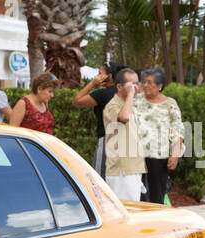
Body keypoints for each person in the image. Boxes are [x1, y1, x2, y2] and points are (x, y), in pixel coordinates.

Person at [134, 66, 184, 204]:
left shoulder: (170, 103)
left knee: (157, 196)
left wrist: (175, 155)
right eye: (144, 82)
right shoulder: (135, 101)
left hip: (159, 157)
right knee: (136, 195)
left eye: (150, 82)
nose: (145, 85)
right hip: (135, 156)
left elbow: (178, 130)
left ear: (160, 86)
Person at [72, 61, 125, 176]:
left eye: (100, 74)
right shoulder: (125, 92)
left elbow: (77, 101)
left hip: (107, 141)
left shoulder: (102, 94)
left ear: (109, 76)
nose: (97, 76)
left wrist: (92, 83)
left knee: (99, 179)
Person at [102, 68, 146, 202]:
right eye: (131, 85)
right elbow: (124, 117)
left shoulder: (131, 105)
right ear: (119, 87)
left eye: (137, 84)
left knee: (134, 210)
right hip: (122, 170)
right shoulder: (113, 106)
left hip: (133, 168)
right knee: (125, 210)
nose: (135, 88)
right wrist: (130, 95)